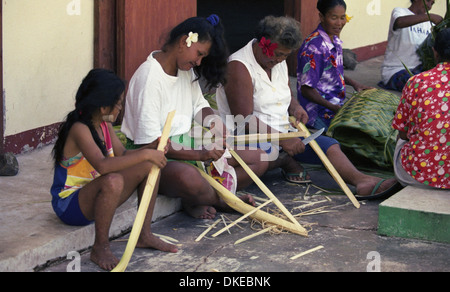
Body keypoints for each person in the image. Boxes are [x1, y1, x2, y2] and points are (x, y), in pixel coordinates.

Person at [216, 15, 400, 200]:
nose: (280, 60)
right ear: (262, 44)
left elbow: (285, 92)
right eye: (277, 54)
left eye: (285, 55)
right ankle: (284, 161)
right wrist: (282, 140)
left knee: (329, 145)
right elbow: (244, 120)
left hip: (282, 134)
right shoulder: (239, 67)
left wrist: (295, 108)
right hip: (249, 139)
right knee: (264, 156)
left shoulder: (276, 61)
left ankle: (362, 181)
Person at [121, 15, 268, 220]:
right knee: (188, 177)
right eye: (198, 54)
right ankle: (220, 199)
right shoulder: (149, 78)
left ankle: (198, 197)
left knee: (259, 158)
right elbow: (152, 144)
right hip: (154, 157)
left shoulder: (185, 70)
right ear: (183, 42)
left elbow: (199, 105)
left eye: (202, 57)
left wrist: (214, 123)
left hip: (188, 145)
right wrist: (200, 154)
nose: (198, 62)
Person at [51, 69, 177, 271]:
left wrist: (150, 148)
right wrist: (145, 154)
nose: (120, 108)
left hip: (95, 196)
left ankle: (144, 234)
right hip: (70, 205)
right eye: (118, 103)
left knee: (148, 166)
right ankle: (100, 247)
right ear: (103, 106)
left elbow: (123, 156)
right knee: (114, 180)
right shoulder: (79, 129)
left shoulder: (104, 124)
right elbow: (103, 165)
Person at [297, 0, 372, 132]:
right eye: (334, 18)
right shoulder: (314, 47)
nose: (339, 23)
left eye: (343, 17)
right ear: (322, 17)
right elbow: (306, 89)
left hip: (334, 105)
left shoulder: (335, 40)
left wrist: (355, 84)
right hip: (317, 112)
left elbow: (333, 71)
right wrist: (334, 108)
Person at [392, 28, 450, 189]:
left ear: (434, 52)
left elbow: (403, 133)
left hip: (420, 176)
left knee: (400, 140)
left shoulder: (417, 82)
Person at [379, 0, 443, 92]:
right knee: (426, 86)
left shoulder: (430, 24)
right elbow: (399, 22)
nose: (429, 6)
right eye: (428, 1)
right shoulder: (400, 12)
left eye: (432, 3)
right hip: (395, 71)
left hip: (420, 71)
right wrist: (430, 17)